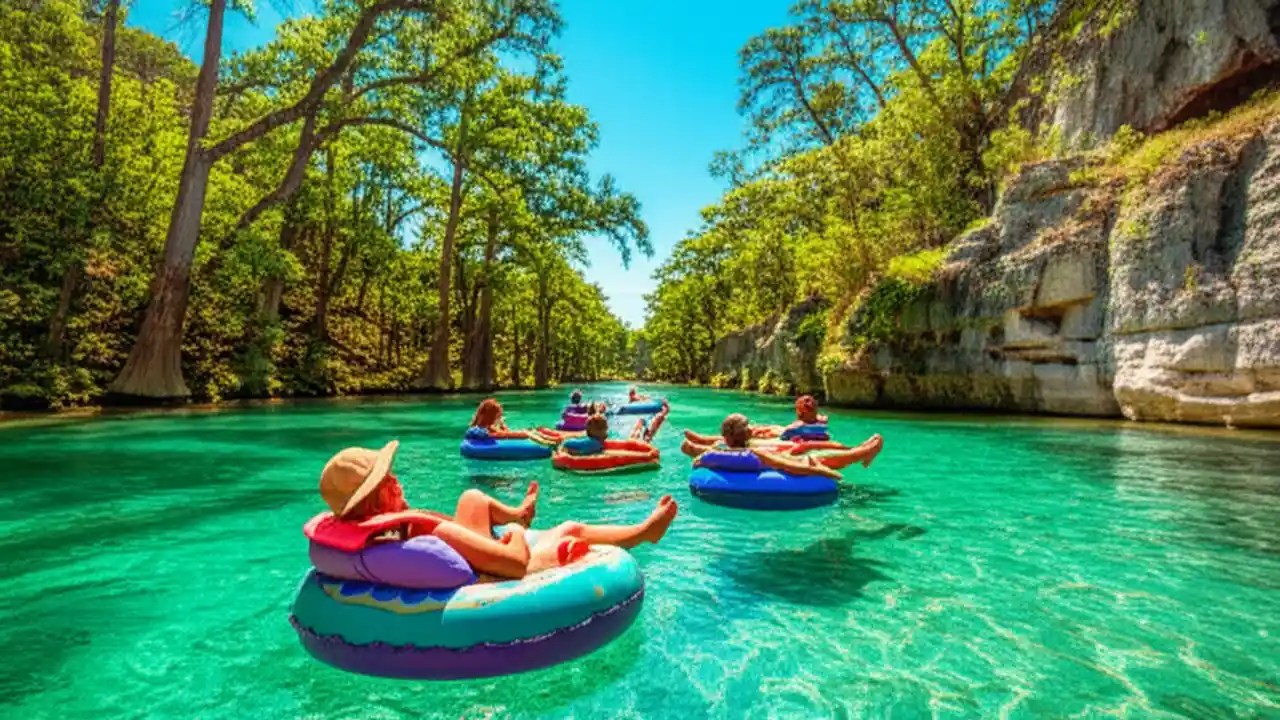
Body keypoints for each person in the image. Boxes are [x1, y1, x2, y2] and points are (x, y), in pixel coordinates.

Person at [319, 440, 678, 579]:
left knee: (471, 498)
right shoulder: (429, 531)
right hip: (495, 574)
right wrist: (517, 534)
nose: (398, 482)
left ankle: (518, 511)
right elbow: (515, 565)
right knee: (570, 528)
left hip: (472, 555)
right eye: (388, 482)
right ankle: (644, 533)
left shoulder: (375, 533)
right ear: (375, 500)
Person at [694, 414, 881, 477]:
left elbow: (702, 459)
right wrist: (823, 471)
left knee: (814, 454)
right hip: (793, 461)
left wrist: (701, 458)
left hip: (789, 460)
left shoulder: (721, 454)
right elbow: (783, 464)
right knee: (818, 456)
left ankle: (864, 451)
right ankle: (864, 451)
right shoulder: (751, 451)